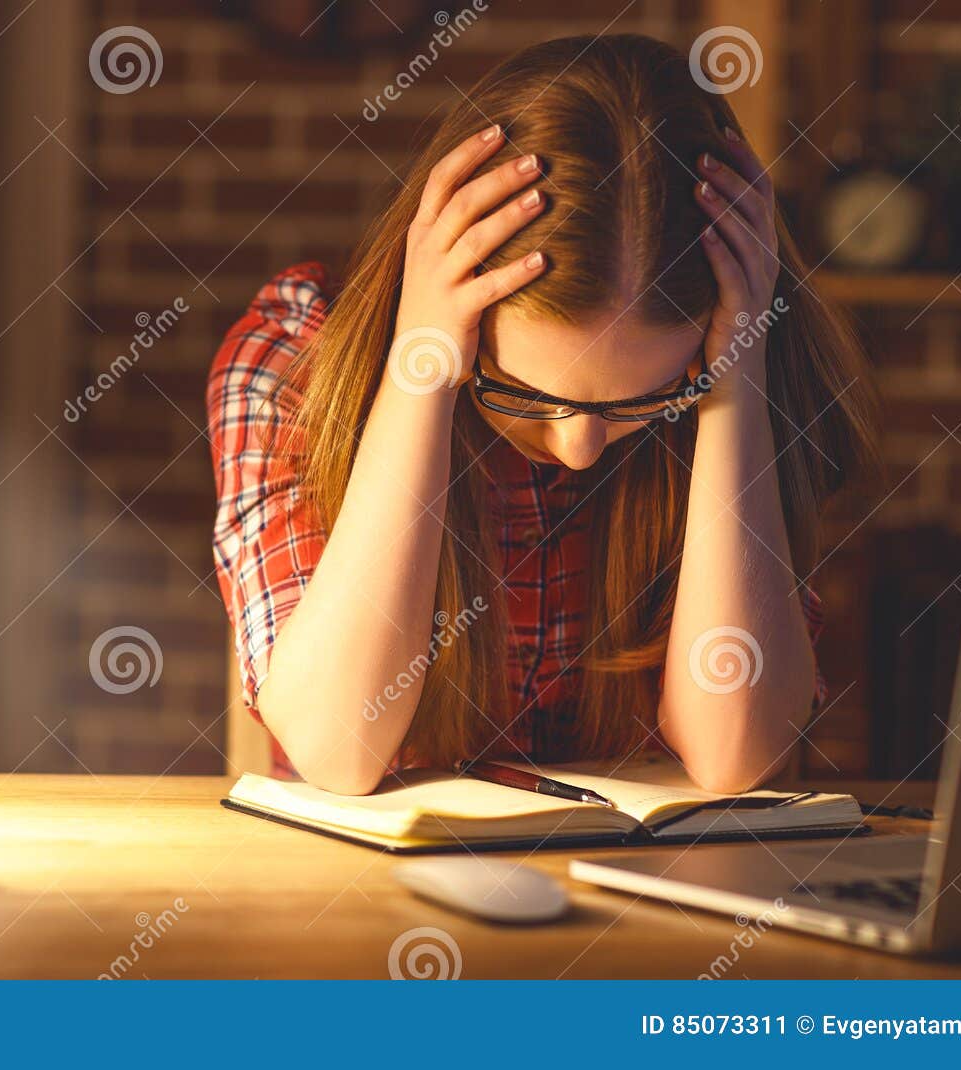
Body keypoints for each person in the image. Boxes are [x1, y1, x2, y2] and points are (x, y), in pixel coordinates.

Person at [207, 34, 877, 795]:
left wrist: (732, 379)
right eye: (524, 393)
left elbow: (735, 752)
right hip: (355, 898)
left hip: (642, 889)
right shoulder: (293, 363)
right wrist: (421, 370)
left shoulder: (738, 368)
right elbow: (337, 747)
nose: (581, 445)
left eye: (648, 398)